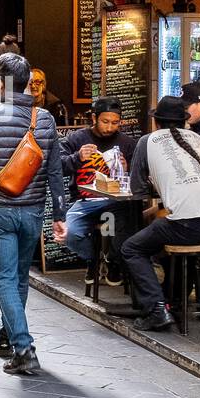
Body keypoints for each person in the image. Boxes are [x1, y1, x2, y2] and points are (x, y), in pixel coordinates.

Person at [0, 53, 67, 375]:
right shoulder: (46, 119)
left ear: (0, 82)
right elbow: (54, 172)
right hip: (33, 211)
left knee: (6, 279)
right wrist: (59, 213)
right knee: (20, 278)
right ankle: (6, 335)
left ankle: (25, 347)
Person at [119, 97, 200, 332]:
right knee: (168, 238)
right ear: (185, 123)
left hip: (188, 225)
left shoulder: (147, 141)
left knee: (131, 248)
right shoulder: (198, 139)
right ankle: (175, 300)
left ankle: (157, 309)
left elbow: (137, 189)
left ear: (156, 122)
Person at [61, 97, 139, 285]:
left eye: (115, 123)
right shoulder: (77, 138)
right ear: (94, 118)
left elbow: (141, 176)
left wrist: (127, 168)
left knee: (127, 227)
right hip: (85, 201)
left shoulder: (128, 143)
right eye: (105, 122)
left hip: (117, 203)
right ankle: (93, 259)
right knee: (70, 232)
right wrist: (77, 157)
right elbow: (58, 166)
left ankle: (113, 261)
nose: (110, 127)